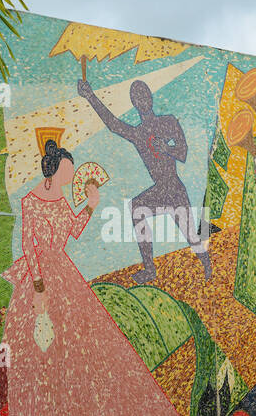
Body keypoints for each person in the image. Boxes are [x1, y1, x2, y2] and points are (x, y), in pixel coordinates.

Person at [1, 140, 213, 416]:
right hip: (42, 283)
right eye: (68, 171)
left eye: (74, 173)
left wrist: (90, 206)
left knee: (88, 359)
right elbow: (31, 248)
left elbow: (72, 233)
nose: (73, 176)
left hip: (66, 276)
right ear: (56, 169)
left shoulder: (63, 198)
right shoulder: (30, 202)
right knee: (44, 367)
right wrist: (38, 292)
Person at [77, 77, 211, 282]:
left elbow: (183, 153)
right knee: (136, 208)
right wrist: (90, 96)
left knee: (192, 238)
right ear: (134, 102)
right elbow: (113, 124)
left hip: (175, 190)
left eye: (144, 94)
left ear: (150, 97)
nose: (142, 99)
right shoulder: (138, 134)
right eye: (137, 96)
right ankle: (150, 269)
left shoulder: (168, 122)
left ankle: (207, 265)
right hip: (159, 190)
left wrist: (166, 148)